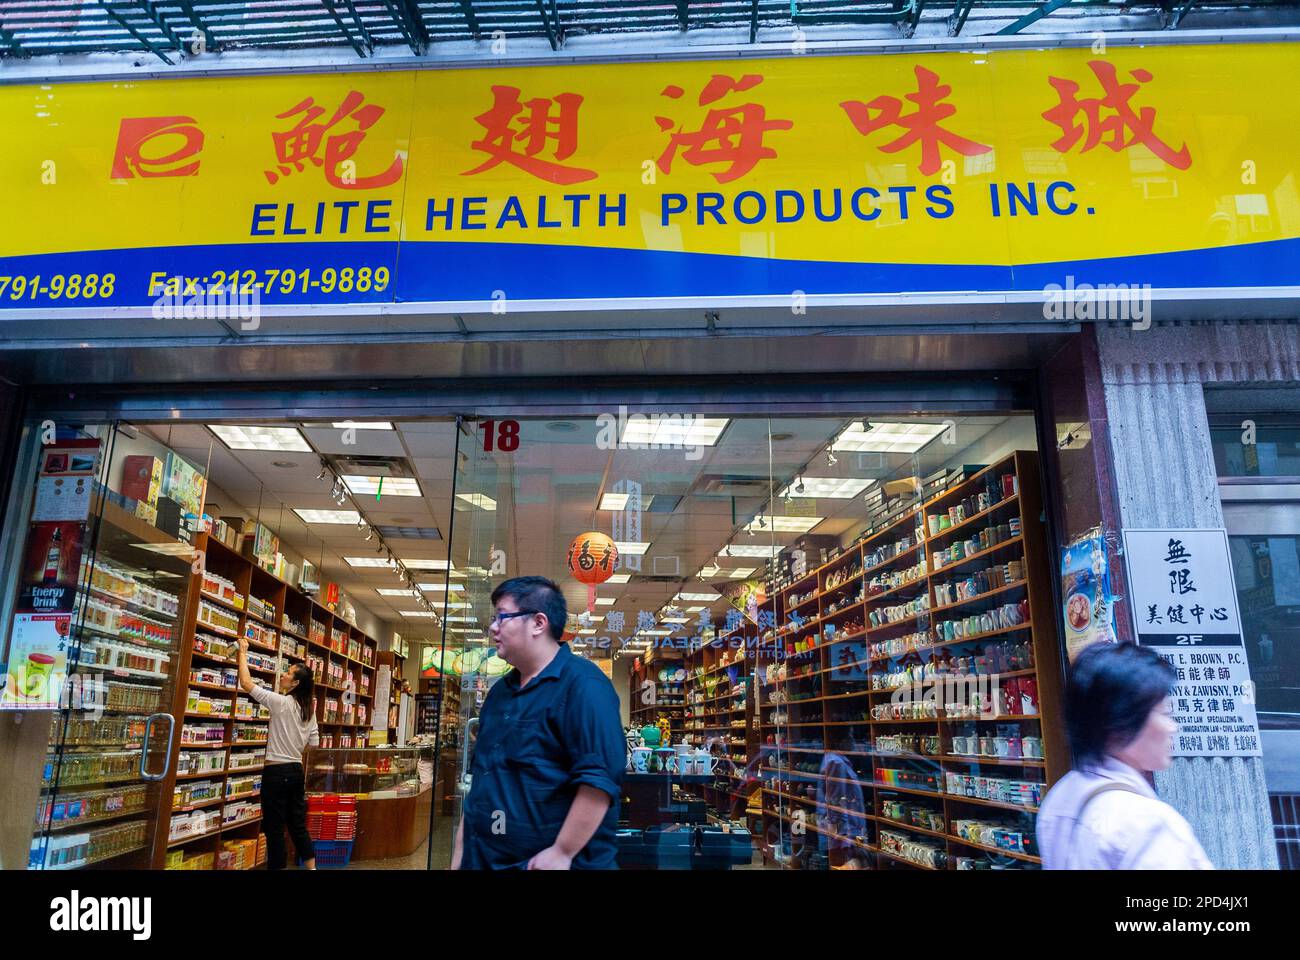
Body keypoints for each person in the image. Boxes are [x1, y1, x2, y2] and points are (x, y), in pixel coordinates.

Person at [451, 576, 625, 870]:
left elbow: (599, 779)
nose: (493, 627)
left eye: (502, 616)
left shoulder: (584, 685)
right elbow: (483, 778)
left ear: (538, 623)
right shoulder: (500, 693)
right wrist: (460, 856)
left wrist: (562, 851)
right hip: (485, 859)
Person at [1037, 641, 1212, 869]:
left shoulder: (1061, 797)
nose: (1172, 727)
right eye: (1164, 713)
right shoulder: (1146, 822)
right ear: (1120, 723)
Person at [236, 640, 318, 870]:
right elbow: (313, 743)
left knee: (274, 828)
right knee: (297, 825)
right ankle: (312, 869)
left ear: (295, 683)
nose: (282, 675)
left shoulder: (280, 702)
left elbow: (246, 682)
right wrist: (294, 747)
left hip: (276, 771)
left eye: (288, 673)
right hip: (295, 771)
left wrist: (242, 653)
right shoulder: (308, 711)